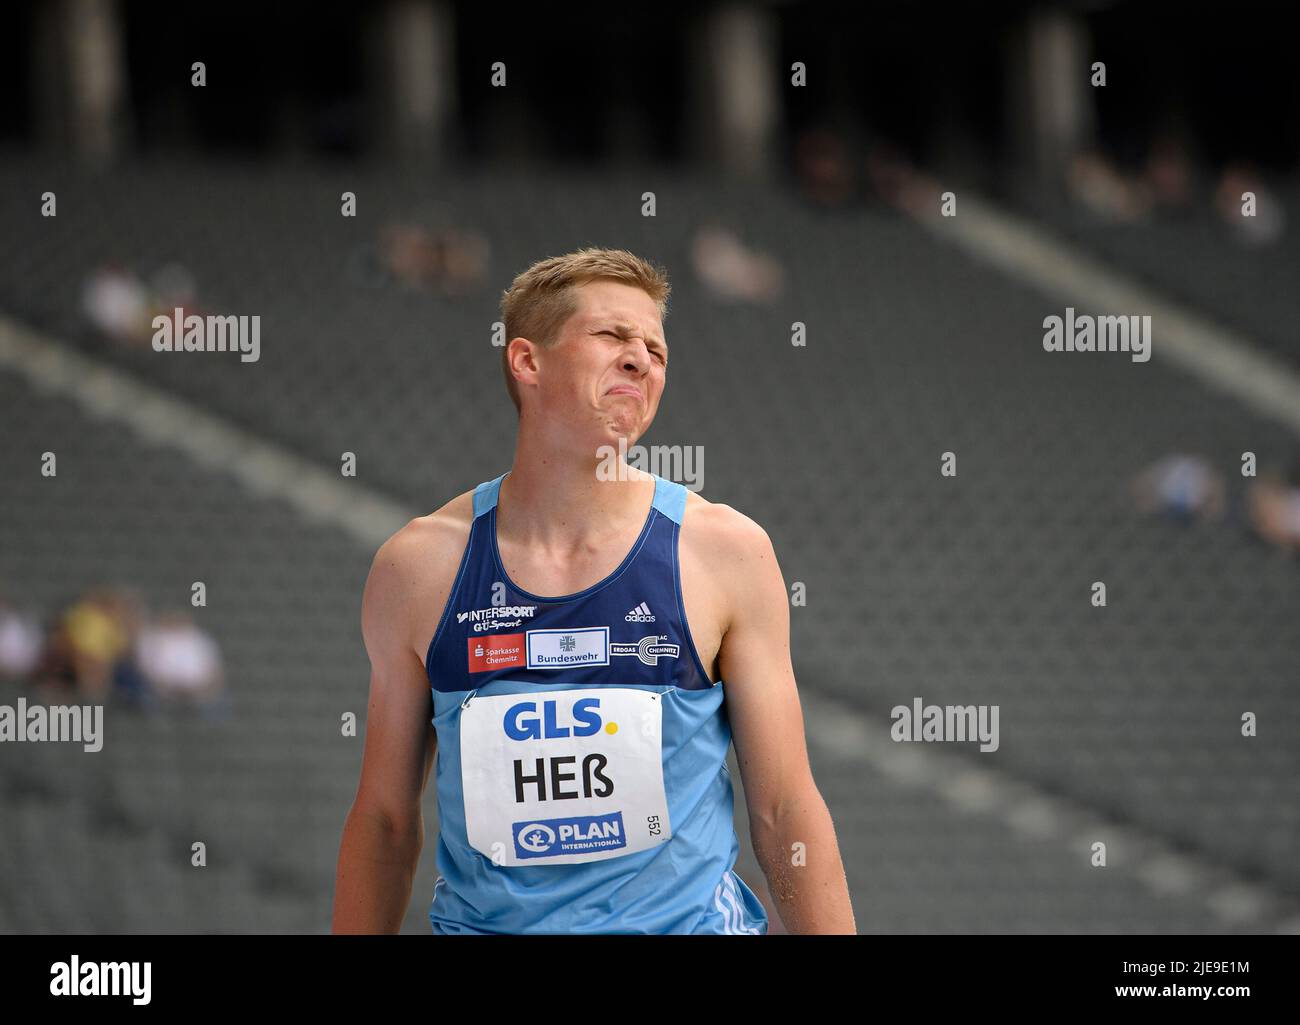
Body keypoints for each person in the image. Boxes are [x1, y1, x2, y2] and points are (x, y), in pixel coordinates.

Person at [332, 248, 855, 934]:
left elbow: (785, 808)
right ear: (528, 362)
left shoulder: (724, 552)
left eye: (656, 349)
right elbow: (385, 819)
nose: (642, 359)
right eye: (613, 336)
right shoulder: (421, 568)